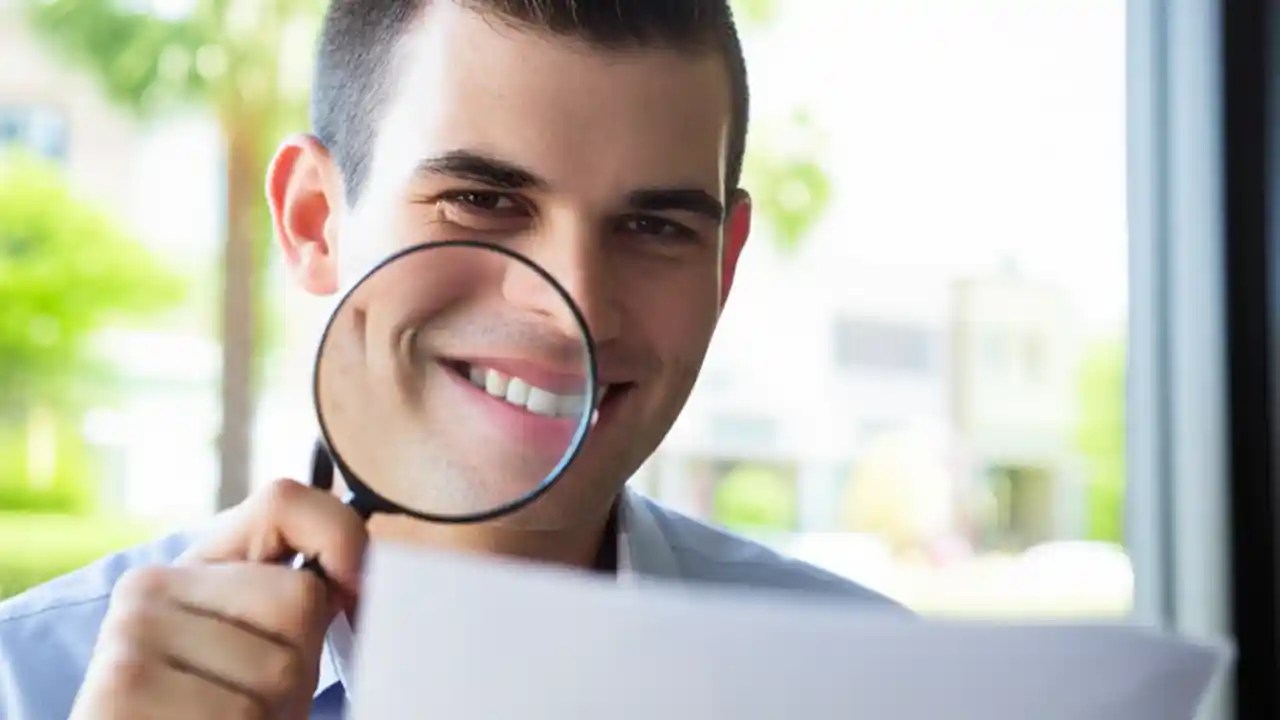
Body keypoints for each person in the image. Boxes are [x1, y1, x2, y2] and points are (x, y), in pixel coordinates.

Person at [0, 1, 902, 717]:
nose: (574, 306)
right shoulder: (31, 684)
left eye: (655, 226)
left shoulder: (888, 689)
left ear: (724, 263)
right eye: (479, 199)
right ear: (315, 221)